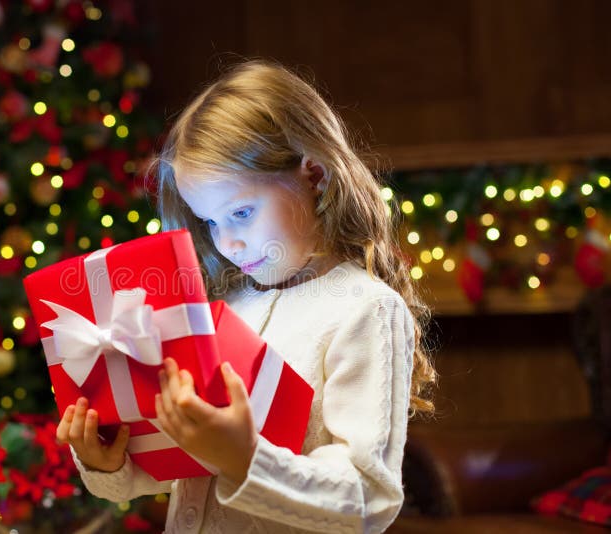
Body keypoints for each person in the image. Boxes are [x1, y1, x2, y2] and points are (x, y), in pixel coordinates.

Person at [56, 59, 437, 533]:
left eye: (240, 211)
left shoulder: (365, 309)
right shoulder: (223, 309)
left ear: (313, 174)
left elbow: (366, 498)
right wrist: (110, 462)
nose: (226, 243)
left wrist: (245, 458)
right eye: (210, 221)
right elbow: (183, 463)